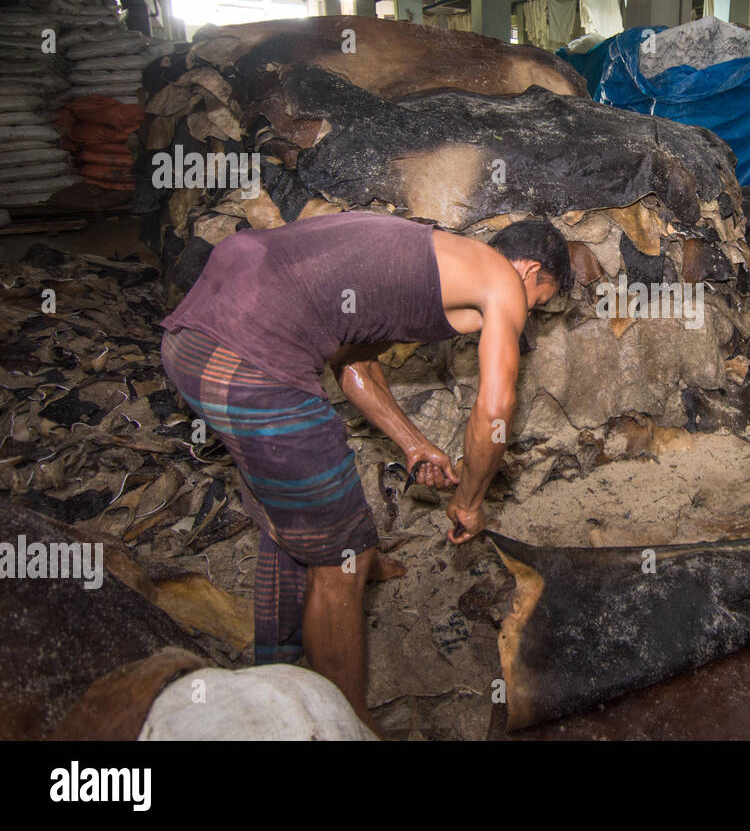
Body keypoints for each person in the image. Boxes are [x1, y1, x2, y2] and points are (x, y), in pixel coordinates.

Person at [159, 211, 572, 732]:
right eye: (541, 300)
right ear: (531, 271)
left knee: (292, 520)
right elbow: (493, 413)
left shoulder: (430, 261)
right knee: (343, 564)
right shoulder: (501, 279)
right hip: (253, 361)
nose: (527, 315)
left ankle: (276, 678)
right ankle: (349, 727)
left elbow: (353, 364)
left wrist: (415, 444)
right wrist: (469, 501)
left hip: (194, 342)